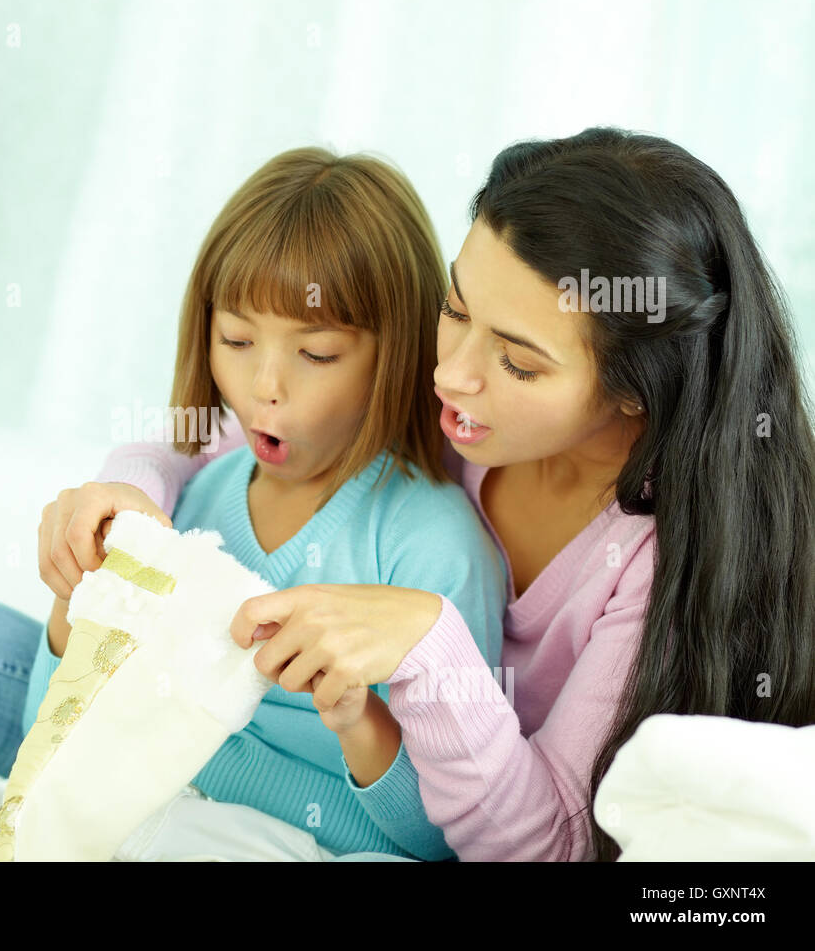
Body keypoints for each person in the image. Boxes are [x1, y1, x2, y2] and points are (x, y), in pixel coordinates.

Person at [0, 146, 505, 861]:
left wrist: (359, 723)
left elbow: (432, 841)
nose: (265, 389)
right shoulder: (203, 497)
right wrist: (70, 613)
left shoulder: (430, 547)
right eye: (236, 341)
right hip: (137, 800)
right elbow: (54, 724)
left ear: (393, 353)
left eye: (317, 353)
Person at [77, 127, 815, 860]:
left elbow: (554, 846)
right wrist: (127, 488)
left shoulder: (652, 567)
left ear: (635, 391)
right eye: (456, 311)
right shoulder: (456, 419)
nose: (450, 374)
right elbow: (226, 433)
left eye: (517, 363)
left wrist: (433, 648)